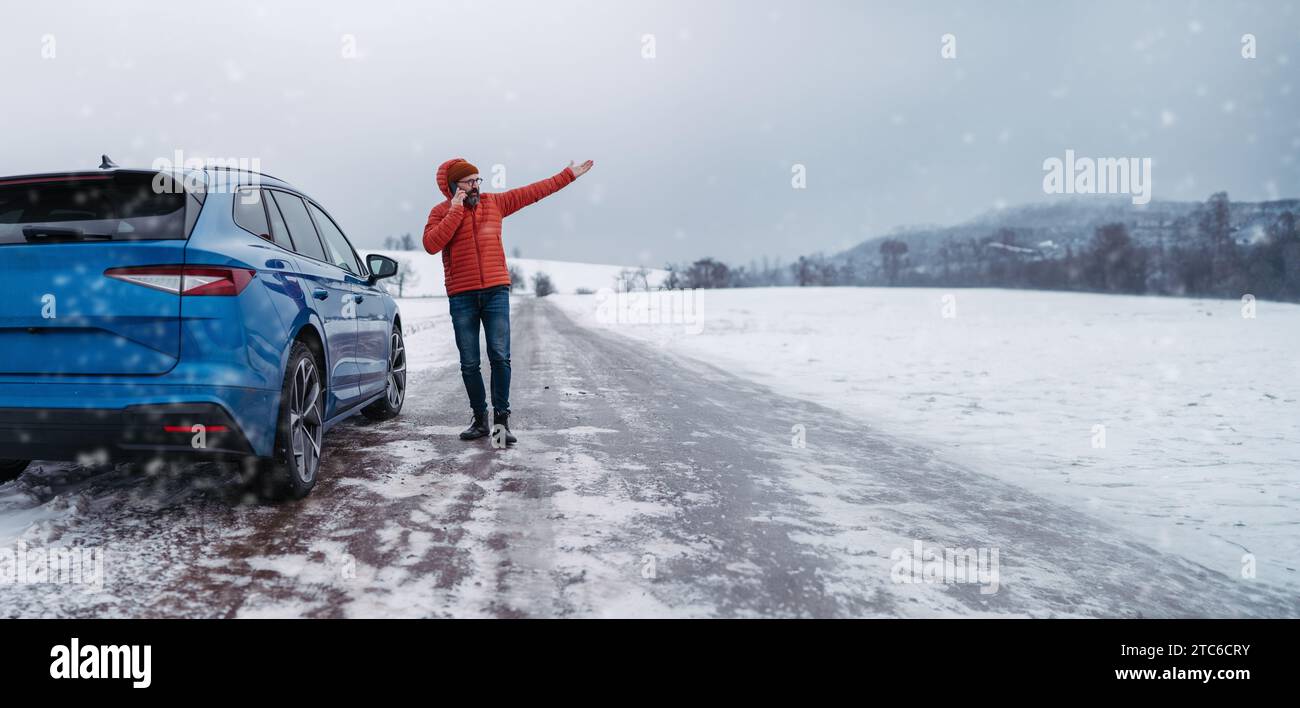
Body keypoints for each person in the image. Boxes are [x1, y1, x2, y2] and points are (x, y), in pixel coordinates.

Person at [422, 157, 594, 444]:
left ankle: (502, 424)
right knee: (469, 363)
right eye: (469, 182)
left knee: (500, 357)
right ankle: (480, 420)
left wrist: (569, 175)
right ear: (454, 186)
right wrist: (455, 211)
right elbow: (431, 245)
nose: (476, 186)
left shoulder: (495, 203)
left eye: (478, 180)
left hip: (495, 291)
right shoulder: (441, 212)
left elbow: (535, 191)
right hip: (461, 295)